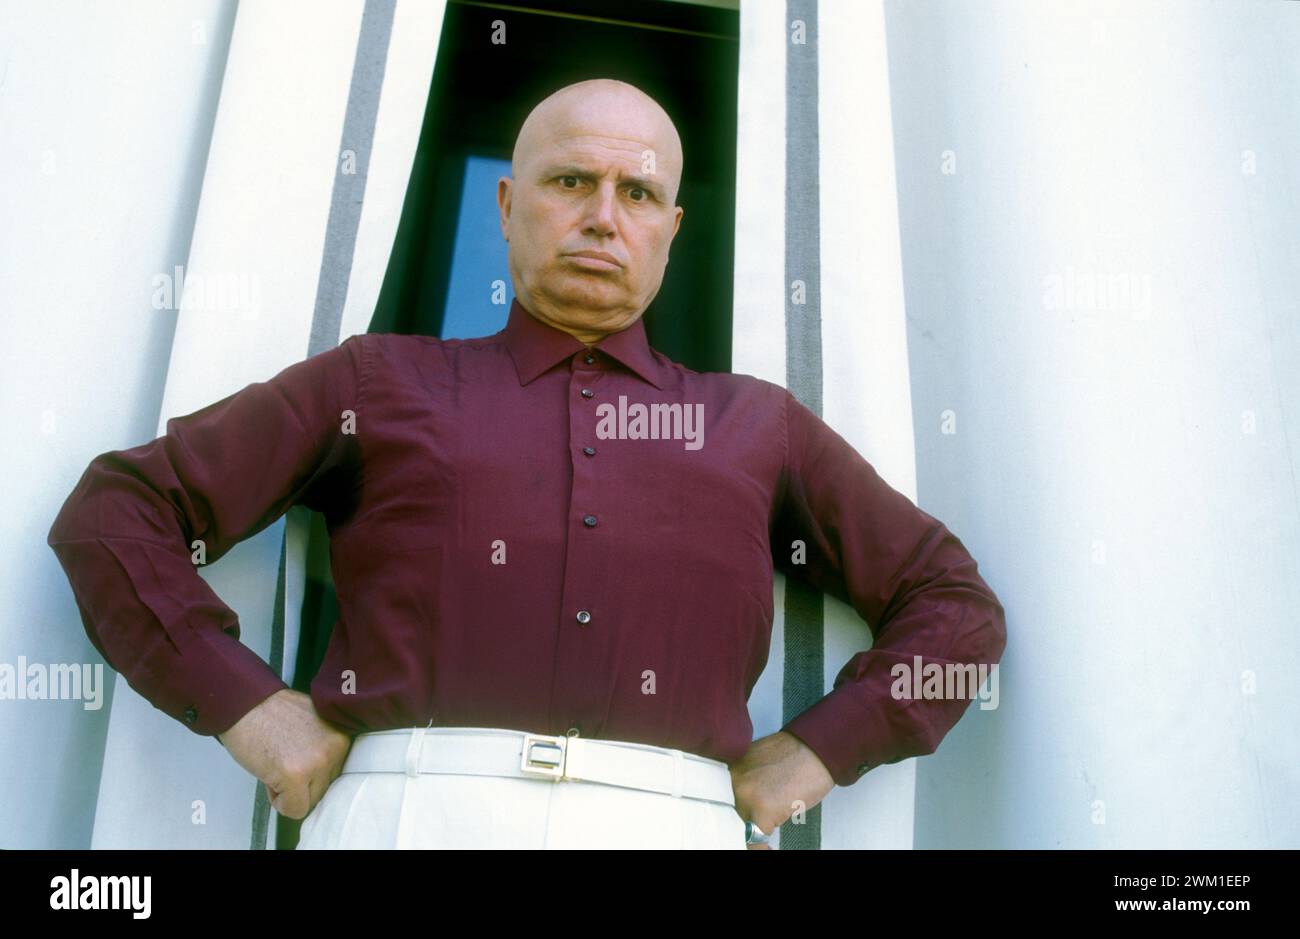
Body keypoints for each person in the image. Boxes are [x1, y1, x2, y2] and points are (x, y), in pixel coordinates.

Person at [47, 78, 1007, 849]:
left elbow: (955, 610)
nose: (603, 217)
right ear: (506, 207)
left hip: (669, 821)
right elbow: (114, 513)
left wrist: (818, 751)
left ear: (672, 231)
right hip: (407, 817)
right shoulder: (380, 381)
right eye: (569, 182)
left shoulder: (759, 426)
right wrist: (247, 708)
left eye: (637, 194)